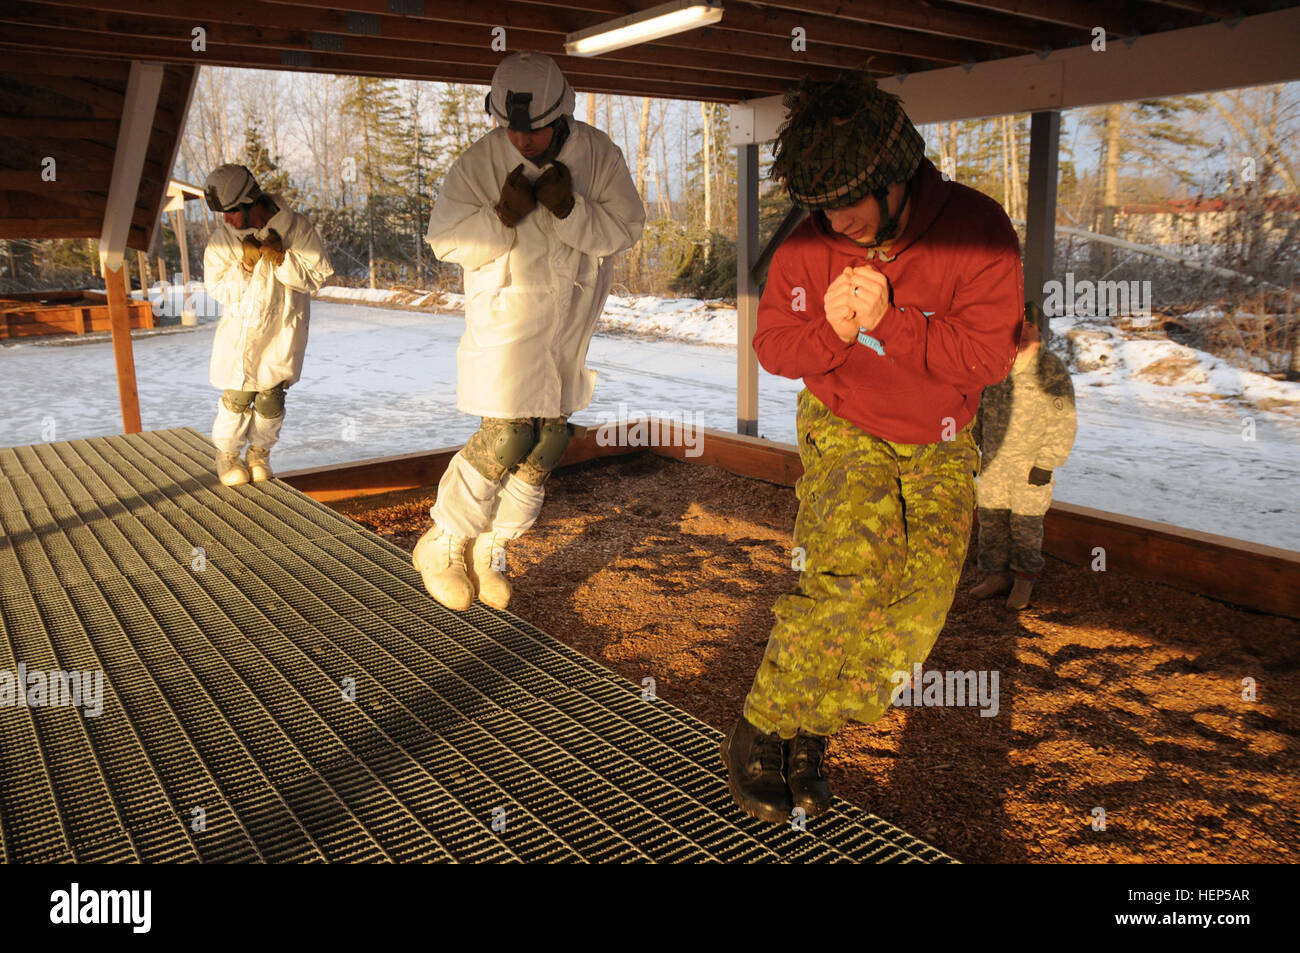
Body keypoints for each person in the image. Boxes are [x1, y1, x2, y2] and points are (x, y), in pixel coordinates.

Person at [721, 73, 1024, 824]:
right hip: (846, 421)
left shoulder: (977, 234)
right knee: (851, 575)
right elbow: (775, 349)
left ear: (897, 178)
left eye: (850, 200)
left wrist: (895, 321)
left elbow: (987, 360)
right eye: (823, 205)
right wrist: (834, 331)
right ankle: (763, 728)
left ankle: (811, 729)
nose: (837, 219)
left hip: (941, 440)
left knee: (915, 609)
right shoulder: (810, 245)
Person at [414, 51, 645, 613]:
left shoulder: (598, 154)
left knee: (549, 439)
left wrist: (571, 209)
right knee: (510, 434)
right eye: (511, 128)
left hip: (568, 325)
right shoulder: (482, 159)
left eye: (533, 128)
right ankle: (443, 541)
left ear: (561, 111)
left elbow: (625, 229)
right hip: (508, 323)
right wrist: (501, 217)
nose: (520, 140)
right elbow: (443, 240)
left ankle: (491, 547)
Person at [202, 163, 333, 485]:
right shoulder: (224, 239)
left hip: (280, 333)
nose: (227, 220)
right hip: (240, 335)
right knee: (238, 397)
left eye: (232, 211)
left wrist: (282, 259)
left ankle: (259, 455)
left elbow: (317, 277)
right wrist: (246, 266)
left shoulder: (296, 228)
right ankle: (228, 455)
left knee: (270, 398)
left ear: (252, 203)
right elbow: (217, 289)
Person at [971, 304, 1078, 609]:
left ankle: (1023, 581)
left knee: (1025, 525)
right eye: (1019, 325)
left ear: (1040, 330)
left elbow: (1064, 421)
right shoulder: (997, 365)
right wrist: (971, 449)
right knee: (991, 523)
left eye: (1029, 325)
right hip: (994, 463)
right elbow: (979, 410)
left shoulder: (1051, 370)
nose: (1023, 331)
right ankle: (996, 576)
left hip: (1031, 468)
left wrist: (1046, 463)